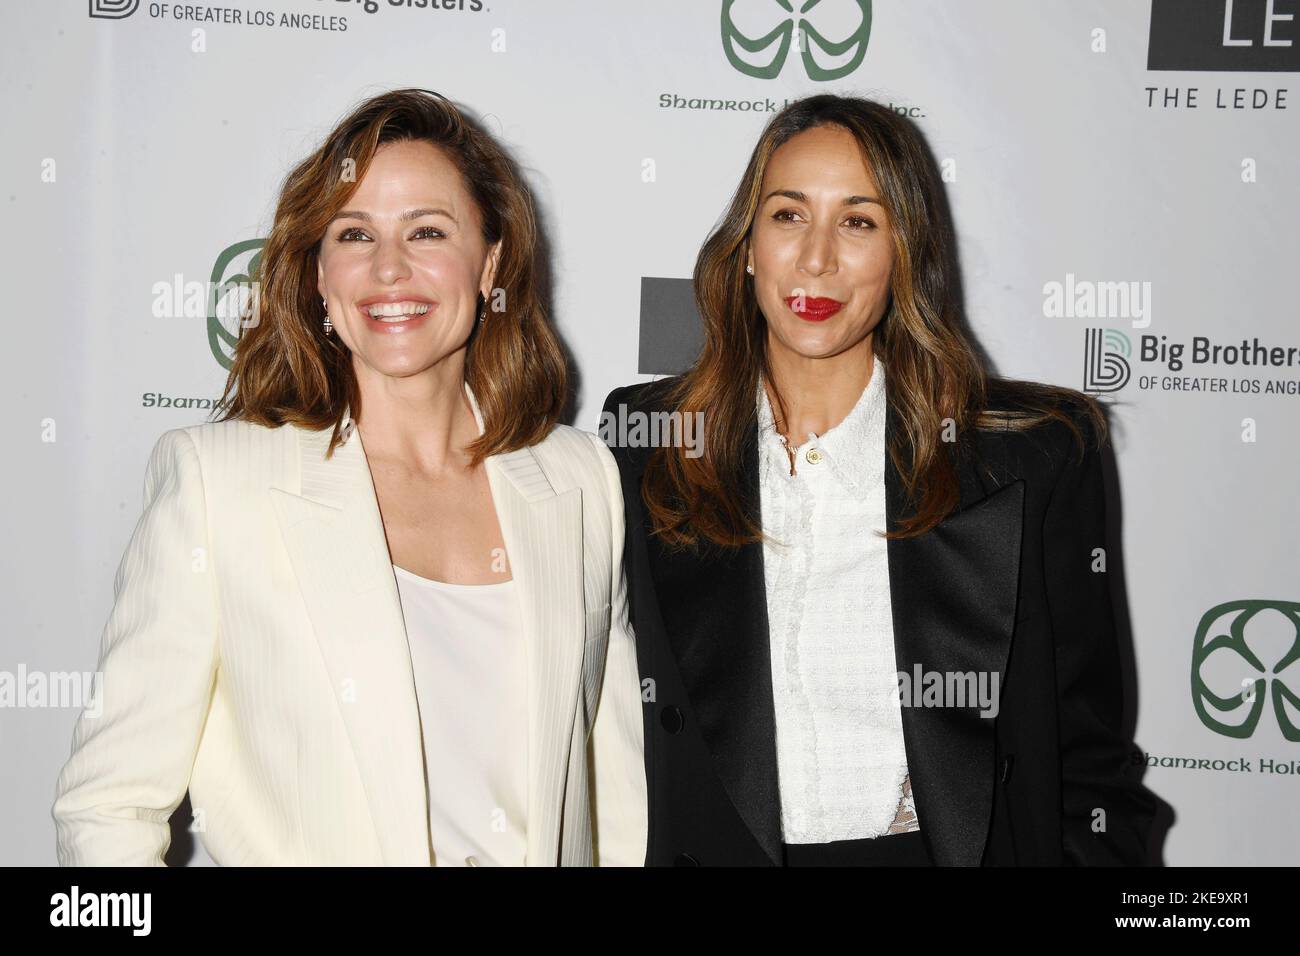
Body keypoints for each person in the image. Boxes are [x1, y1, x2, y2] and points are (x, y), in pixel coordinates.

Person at [52, 88, 646, 867]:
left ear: (491, 262)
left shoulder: (579, 479)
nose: (389, 268)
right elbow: (108, 810)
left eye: (427, 231)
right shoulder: (218, 484)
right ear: (319, 274)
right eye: (355, 233)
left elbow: (619, 807)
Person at [603, 93, 1156, 866]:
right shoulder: (651, 442)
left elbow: (1086, 759)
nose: (817, 258)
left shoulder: (1028, 457)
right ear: (749, 246)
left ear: (904, 252)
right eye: (788, 215)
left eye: (859, 222)